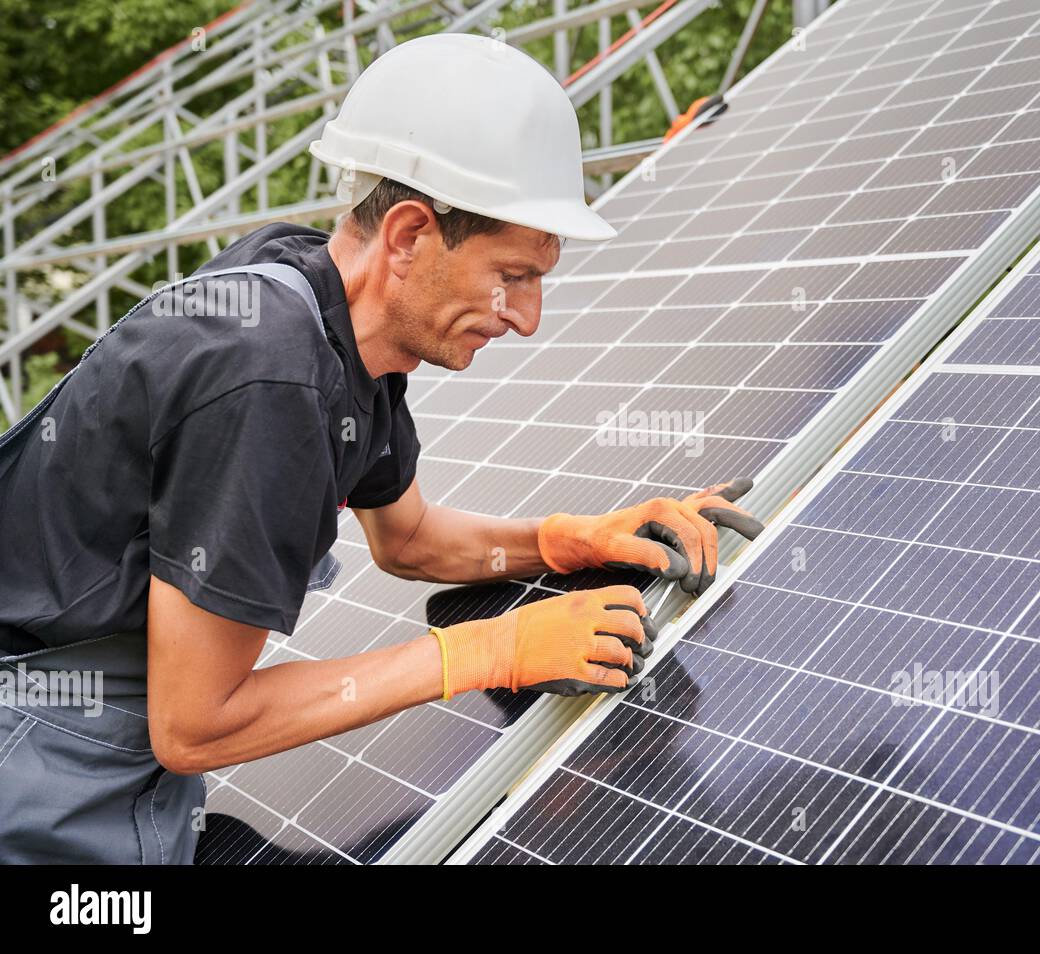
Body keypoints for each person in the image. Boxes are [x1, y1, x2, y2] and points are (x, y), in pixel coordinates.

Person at [0, 33, 762, 864]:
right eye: (512, 274)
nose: (528, 315)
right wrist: (493, 647)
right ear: (406, 236)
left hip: (110, 757)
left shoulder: (323, 307)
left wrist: (570, 540)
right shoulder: (270, 375)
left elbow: (409, 541)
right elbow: (195, 725)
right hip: (39, 780)